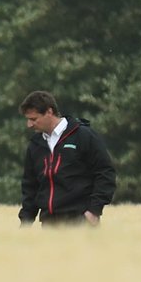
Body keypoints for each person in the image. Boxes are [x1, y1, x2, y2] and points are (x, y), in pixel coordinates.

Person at [18, 90, 116, 227]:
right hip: (48, 223)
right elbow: (30, 186)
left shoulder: (84, 136)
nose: (29, 125)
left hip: (81, 221)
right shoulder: (35, 145)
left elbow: (105, 173)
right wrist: (25, 223)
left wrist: (94, 210)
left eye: (33, 119)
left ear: (49, 112)